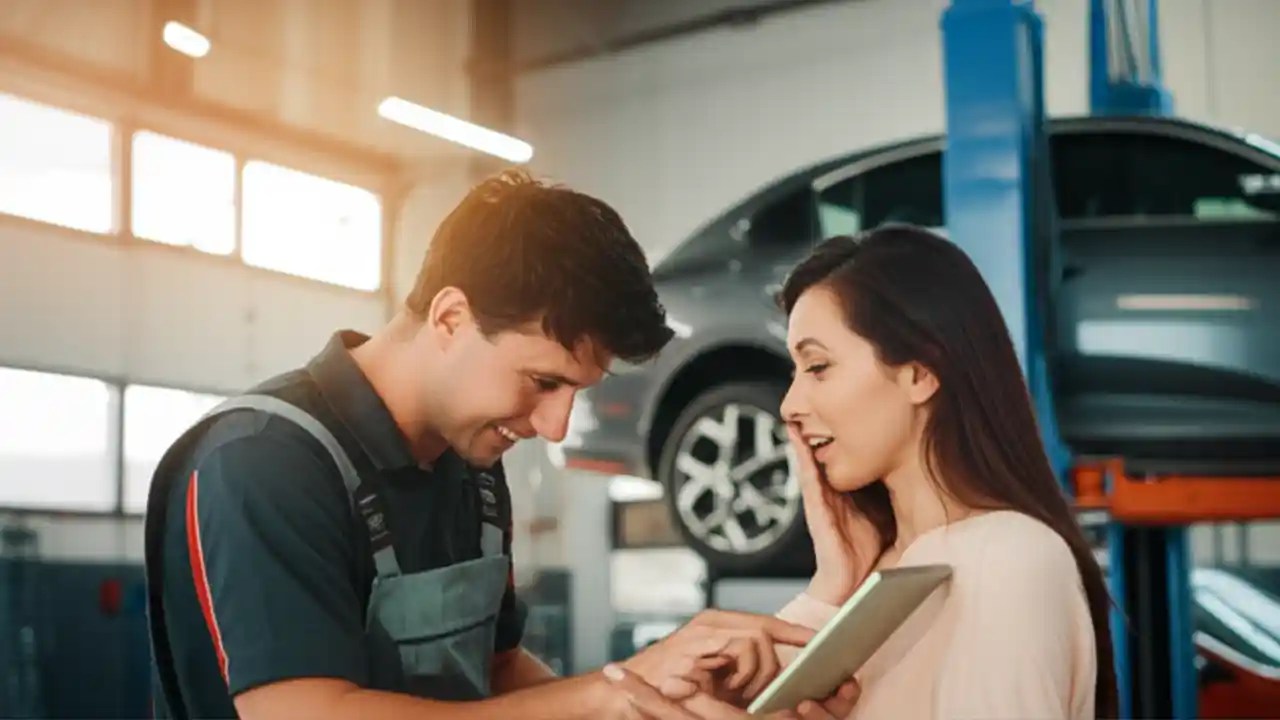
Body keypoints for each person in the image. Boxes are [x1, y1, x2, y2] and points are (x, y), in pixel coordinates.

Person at [142, 169, 858, 720]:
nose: (552, 425)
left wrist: (651, 697)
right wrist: (600, 696)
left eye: (575, 391)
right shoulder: (264, 460)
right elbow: (304, 713)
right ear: (451, 316)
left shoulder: (474, 468)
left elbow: (501, 670)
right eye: (542, 381)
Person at [768, 226, 1119, 719]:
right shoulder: (874, 574)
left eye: (818, 367)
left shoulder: (1006, 559)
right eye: (794, 372)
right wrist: (829, 588)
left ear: (919, 373)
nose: (790, 406)